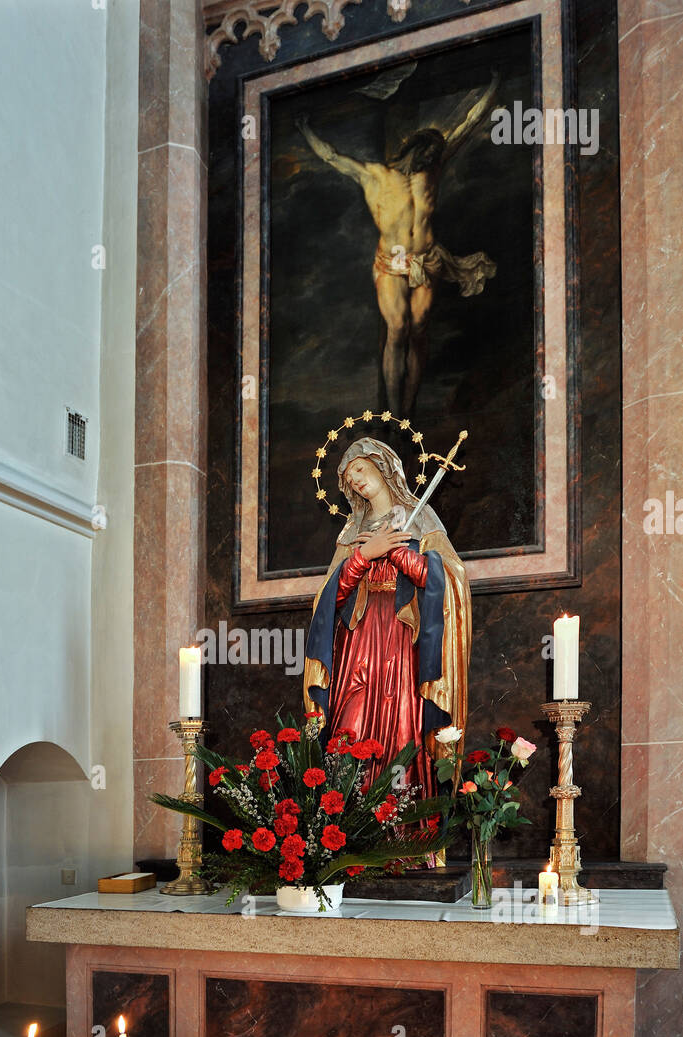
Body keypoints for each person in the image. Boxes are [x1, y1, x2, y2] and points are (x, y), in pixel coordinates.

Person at [296, 74, 498, 416]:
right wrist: (305, 130)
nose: (434, 159)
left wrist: (491, 88)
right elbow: (331, 156)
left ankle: (408, 409)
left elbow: (469, 122)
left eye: (436, 155)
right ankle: (391, 410)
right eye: (429, 154)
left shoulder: (431, 172)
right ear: (415, 150)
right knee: (398, 328)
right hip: (392, 263)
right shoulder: (375, 176)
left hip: (426, 261)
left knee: (419, 328)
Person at [303, 437, 470, 797]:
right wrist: (364, 555)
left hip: (402, 638)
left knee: (401, 728)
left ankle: (404, 830)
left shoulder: (421, 517)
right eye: (349, 478)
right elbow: (332, 597)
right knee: (352, 722)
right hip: (357, 642)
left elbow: (447, 579)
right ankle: (347, 827)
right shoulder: (351, 530)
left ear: (383, 467)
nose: (356, 480)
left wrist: (396, 553)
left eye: (360, 469)